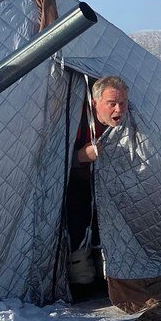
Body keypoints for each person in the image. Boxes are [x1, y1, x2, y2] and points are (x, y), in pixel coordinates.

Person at [66, 76, 129, 286]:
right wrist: (80, 157)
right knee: (78, 209)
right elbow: (53, 160)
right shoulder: (76, 121)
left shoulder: (130, 124)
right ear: (95, 103)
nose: (118, 110)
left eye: (122, 103)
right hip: (77, 185)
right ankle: (80, 269)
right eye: (112, 104)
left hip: (110, 186)